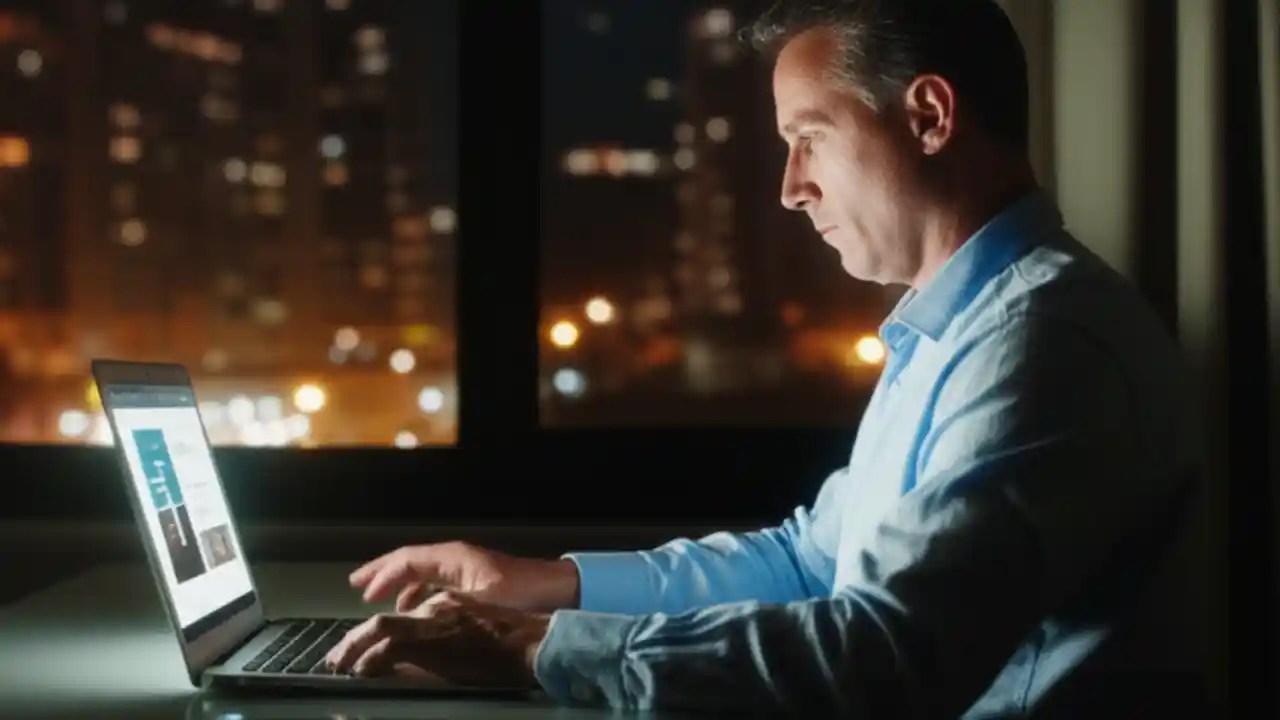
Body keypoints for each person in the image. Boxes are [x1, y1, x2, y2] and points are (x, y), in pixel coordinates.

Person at [325, 0, 1210, 715]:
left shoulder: (1039, 342)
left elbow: (884, 658)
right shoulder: (958, 327)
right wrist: (541, 587)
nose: (791, 187)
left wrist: (536, 649)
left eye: (810, 137)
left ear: (930, 116)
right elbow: (808, 564)